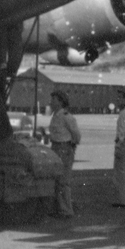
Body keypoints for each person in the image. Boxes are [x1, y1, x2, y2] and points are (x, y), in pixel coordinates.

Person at [48, 90, 81, 218]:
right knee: (57, 180)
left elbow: (76, 134)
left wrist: (71, 146)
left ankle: (67, 210)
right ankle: (60, 208)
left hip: (64, 149)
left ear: (61, 102)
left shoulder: (66, 116)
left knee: (63, 181)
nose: (50, 102)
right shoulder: (55, 115)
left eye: (53, 100)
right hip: (56, 147)